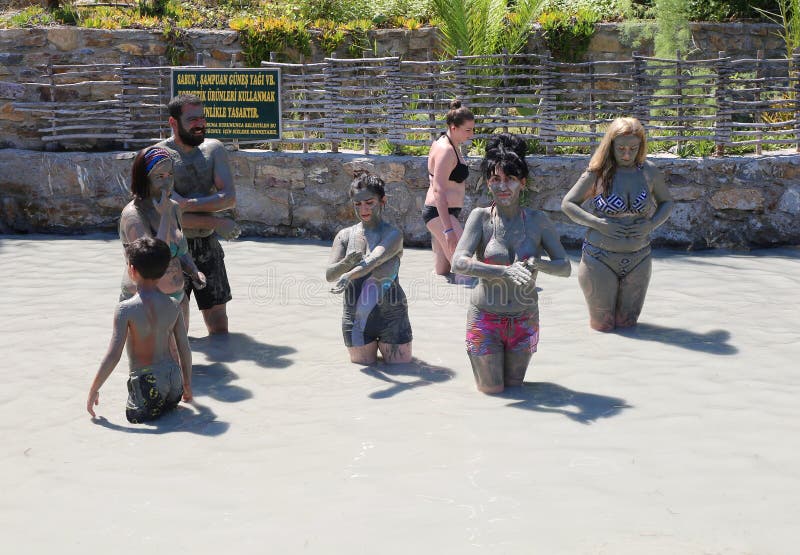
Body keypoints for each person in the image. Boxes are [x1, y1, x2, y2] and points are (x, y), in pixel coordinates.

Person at [452, 134, 571, 394]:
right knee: (491, 393)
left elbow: (565, 267)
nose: (503, 186)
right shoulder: (480, 218)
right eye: (496, 179)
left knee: (517, 392)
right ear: (487, 183)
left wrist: (537, 263)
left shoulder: (539, 221)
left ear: (523, 183)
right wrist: (503, 272)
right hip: (485, 318)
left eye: (510, 179)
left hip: (525, 320)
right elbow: (458, 263)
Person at [561, 117, 674, 331]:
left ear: (641, 146)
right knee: (602, 328)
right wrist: (598, 223)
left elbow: (667, 202)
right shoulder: (597, 173)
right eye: (621, 148)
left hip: (639, 259)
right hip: (599, 259)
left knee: (629, 326)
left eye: (633, 148)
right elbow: (568, 204)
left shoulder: (648, 172)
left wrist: (651, 224)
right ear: (610, 145)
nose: (626, 154)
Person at [156, 93, 239, 335]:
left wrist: (184, 204)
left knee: (220, 326)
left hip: (208, 246)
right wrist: (215, 220)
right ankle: (187, 372)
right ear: (173, 122)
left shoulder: (214, 149)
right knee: (177, 327)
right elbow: (164, 215)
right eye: (192, 119)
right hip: (173, 248)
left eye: (202, 118)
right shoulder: (159, 156)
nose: (200, 124)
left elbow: (229, 198)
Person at [87, 237, 193, 423]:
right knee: (169, 418)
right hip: (174, 381)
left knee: (135, 419)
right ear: (163, 271)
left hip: (148, 385)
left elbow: (114, 355)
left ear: (132, 270)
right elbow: (184, 349)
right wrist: (187, 385)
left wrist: (94, 389)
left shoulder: (125, 309)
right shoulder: (174, 305)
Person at [326, 173, 413, 365]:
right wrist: (345, 263)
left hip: (393, 316)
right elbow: (330, 275)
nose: (363, 209)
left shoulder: (393, 234)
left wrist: (349, 274)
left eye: (369, 202)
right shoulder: (344, 236)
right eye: (357, 204)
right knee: (363, 379)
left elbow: (375, 259)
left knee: (403, 371)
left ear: (383, 201)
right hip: (355, 318)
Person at [119, 147, 206, 325]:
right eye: (160, 177)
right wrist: (164, 214)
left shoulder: (174, 207)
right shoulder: (133, 215)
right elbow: (153, 259)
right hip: (144, 302)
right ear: (144, 179)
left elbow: (179, 251)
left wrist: (193, 270)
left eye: (170, 175)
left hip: (177, 299)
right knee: (153, 353)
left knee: (182, 352)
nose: (168, 183)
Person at [424, 99, 475, 278]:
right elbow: (438, 189)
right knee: (466, 271)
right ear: (454, 127)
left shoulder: (451, 145)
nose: (472, 134)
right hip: (440, 215)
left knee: (442, 272)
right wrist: (448, 229)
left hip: (444, 214)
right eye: (467, 130)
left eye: (473, 129)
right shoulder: (446, 149)